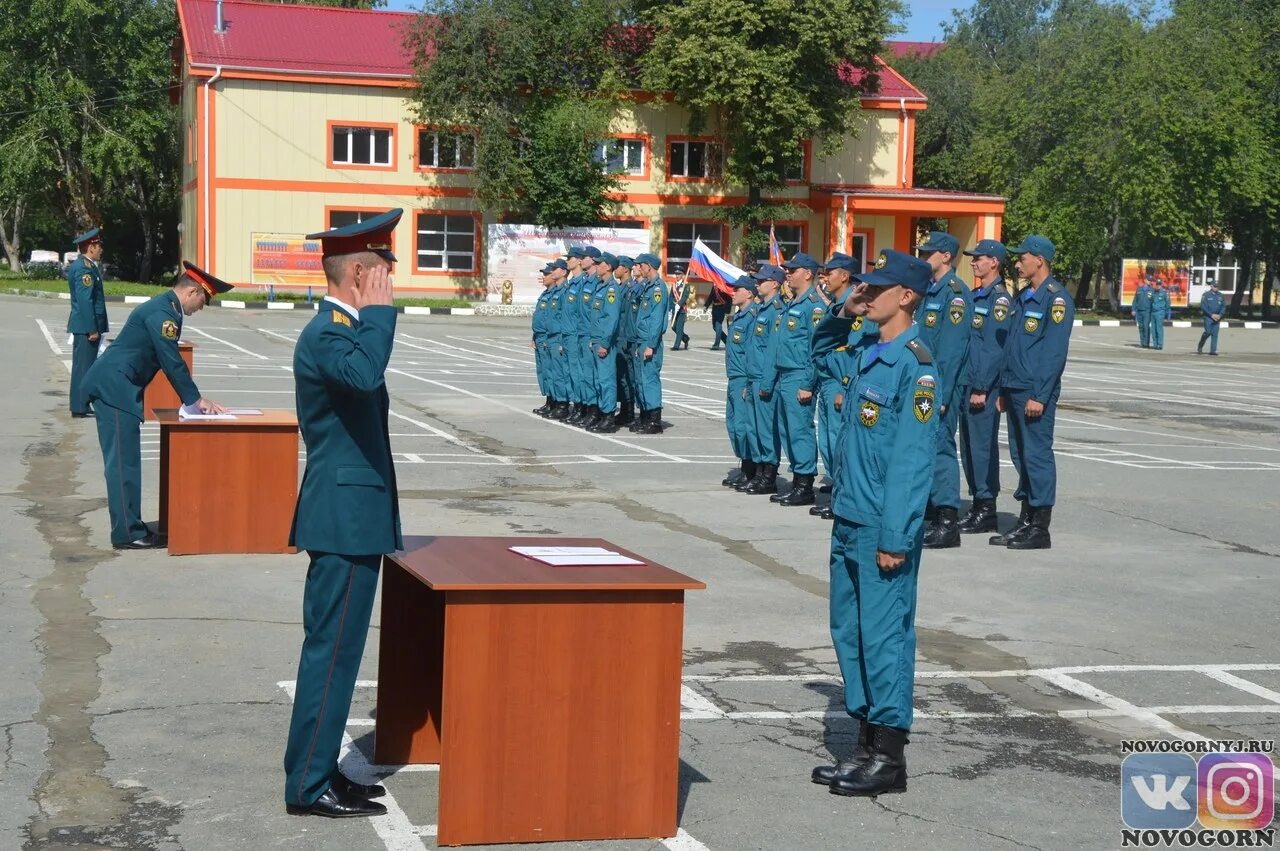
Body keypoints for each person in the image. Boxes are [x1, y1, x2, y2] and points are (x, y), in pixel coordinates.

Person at [284, 208, 402, 819]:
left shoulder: (342, 328)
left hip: (351, 515)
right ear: (359, 273)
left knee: (337, 655)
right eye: (384, 268)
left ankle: (322, 767)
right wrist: (380, 315)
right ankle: (307, 786)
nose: (391, 279)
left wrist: (375, 317)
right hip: (342, 518)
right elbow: (363, 375)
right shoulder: (330, 333)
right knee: (330, 656)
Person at [812, 248, 936, 798]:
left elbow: (912, 462)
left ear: (905, 296)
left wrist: (896, 536)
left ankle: (888, 757)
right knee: (850, 633)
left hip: (882, 527)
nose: (866, 292)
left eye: (875, 287)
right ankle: (864, 743)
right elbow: (819, 354)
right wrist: (844, 309)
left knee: (885, 638)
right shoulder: (867, 352)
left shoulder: (914, 364)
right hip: (849, 515)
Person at [82, 262, 231, 549]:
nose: (202, 307)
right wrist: (195, 400)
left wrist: (193, 398)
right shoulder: (163, 313)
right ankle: (128, 533)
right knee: (123, 464)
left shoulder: (168, 309)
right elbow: (170, 359)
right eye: (203, 300)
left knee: (127, 461)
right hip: (114, 388)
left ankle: (130, 526)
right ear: (191, 291)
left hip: (120, 387)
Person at [989, 235, 1074, 551]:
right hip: (1014, 387)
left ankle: (1040, 526)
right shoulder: (1024, 296)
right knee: (1020, 454)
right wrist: (1002, 387)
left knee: (1037, 454)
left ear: (1039, 259)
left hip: (1034, 391)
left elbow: (1053, 353)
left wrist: (1039, 394)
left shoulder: (1056, 299)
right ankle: (1025, 519)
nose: (1018, 261)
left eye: (1022, 256)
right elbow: (1012, 346)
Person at [913, 232, 972, 549]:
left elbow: (951, 352)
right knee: (924, 449)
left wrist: (944, 395)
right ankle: (933, 512)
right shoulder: (930, 291)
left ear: (946, 256)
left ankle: (948, 521)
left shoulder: (955, 295)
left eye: (929, 253)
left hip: (940, 386)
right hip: (923, 383)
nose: (923, 258)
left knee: (940, 450)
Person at [811, 251, 878, 520]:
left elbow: (856, 351)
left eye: (830, 271)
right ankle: (836, 489)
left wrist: (844, 386)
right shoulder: (837, 305)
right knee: (828, 443)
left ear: (845, 275)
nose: (825, 277)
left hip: (841, 382)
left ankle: (842, 495)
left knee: (840, 445)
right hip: (829, 379)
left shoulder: (859, 312)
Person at [956, 239, 1013, 534]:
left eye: (979, 258)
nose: (974, 262)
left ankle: (986, 507)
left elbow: (994, 348)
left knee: (981, 448)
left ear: (994, 262)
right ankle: (978, 503)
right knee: (968, 446)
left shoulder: (999, 300)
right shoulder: (977, 295)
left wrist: (981, 387)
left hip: (984, 386)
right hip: (969, 381)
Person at [770, 252, 825, 507]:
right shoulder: (793, 303)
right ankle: (796, 481)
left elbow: (816, 348)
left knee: (800, 430)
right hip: (784, 373)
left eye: (793, 270)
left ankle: (804, 484)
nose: (788, 274)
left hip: (799, 375)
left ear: (808, 273)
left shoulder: (813, 306)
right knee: (787, 430)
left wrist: (807, 383)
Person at [739, 264, 785, 494]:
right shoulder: (761, 309)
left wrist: (766, 383)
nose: (757, 283)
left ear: (775, 283)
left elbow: (773, 352)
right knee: (753, 427)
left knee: (766, 429)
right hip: (752, 376)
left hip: (765, 378)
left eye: (762, 280)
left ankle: (769, 474)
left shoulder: (777, 310)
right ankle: (758, 471)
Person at [66, 227, 109, 417]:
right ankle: (80, 406)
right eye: (99, 246)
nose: (101, 249)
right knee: (83, 368)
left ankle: (81, 404)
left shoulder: (88, 265)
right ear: (90, 247)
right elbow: (85, 301)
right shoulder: (84, 268)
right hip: (86, 327)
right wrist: (92, 328)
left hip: (86, 326)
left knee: (84, 366)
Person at [722, 274, 759, 487]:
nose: (733, 293)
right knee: (733, 424)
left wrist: (748, 383)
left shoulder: (753, 316)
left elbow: (753, 352)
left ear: (749, 293)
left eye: (737, 289)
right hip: (733, 376)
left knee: (743, 425)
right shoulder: (738, 315)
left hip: (743, 377)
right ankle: (745, 466)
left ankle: (750, 469)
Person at [631, 253, 669, 433]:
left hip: (649, 341)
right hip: (642, 339)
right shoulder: (647, 287)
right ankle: (646, 416)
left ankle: (655, 421)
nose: (640, 268)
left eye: (642, 265)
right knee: (641, 380)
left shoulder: (658, 289)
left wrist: (651, 345)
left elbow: (656, 319)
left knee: (650, 380)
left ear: (649, 266)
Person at [587, 253, 624, 432]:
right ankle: (603, 414)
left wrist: (604, 343)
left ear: (608, 266)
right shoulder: (601, 287)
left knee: (606, 380)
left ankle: (609, 418)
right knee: (598, 380)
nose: (597, 266)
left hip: (604, 342)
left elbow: (611, 319)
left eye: (600, 263)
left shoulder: (611, 289)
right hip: (596, 339)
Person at [612, 256, 638, 427]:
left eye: (618, 266)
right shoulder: (620, 287)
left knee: (628, 376)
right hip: (618, 337)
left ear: (626, 269)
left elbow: (629, 317)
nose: (616, 269)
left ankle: (628, 411)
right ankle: (623, 409)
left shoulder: (630, 288)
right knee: (620, 376)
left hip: (625, 337)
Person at [531, 264, 556, 415]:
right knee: (544, 372)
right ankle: (549, 401)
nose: (543, 277)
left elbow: (552, 319)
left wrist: (547, 337)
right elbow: (539, 317)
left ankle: (556, 403)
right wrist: (534, 336)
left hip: (548, 337)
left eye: (546, 274)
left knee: (552, 372)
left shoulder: (556, 294)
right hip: (539, 337)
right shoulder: (545, 294)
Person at [1198, 277, 1225, 355]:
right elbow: (1203, 306)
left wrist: (1220, 315)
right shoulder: (1206, 295)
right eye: (1215, 286)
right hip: (1208, 317)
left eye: (1217, 286)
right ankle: (1200, 345)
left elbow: (1223, 306)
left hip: (1217, 317)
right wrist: (1211, 315)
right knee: (1208, 332)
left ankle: (1213, 350)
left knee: (1215, 334)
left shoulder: (1221, 295)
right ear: (1211, 286)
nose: (1216, 288)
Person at [670, 271, 692, 350]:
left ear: (682, 275)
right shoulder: (674, 285)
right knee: (673, 327)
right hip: (674, 309)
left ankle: (676, 346)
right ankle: (685, 338)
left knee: (679, 328)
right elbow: (671, 297)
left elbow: (685, 296)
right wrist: (670, 307)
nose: (677, 276)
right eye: (676, 274)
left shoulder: (686, 285)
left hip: (681, 309)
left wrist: (679, 304)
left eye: (679, 274)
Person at [1133, 267, 1155, 348]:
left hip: (1147, 311)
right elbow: (1135, 300)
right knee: (1141, 327)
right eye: (1148, 280)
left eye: (1150, 280)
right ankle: (1142, 342)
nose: (1150, 281)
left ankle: (1146, 343)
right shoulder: (1139, 289)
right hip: (1139, 311)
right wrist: (1133, 309)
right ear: (1145, 280)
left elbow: (1153, 301)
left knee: (1146, 327)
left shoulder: (1152, 290)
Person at [1149, 277, 1171, 350]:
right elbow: (1151, 301)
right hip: (1153, 312)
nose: (1158, 286)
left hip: (1160, 312)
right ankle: (1155, 344)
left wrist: (1167, 313)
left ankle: (1160, 344)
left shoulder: (1165, 293)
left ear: (1161, 285)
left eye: (1159, 284)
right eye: (1157, 284)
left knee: (1159, 329)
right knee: (1153, 329)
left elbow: (1168, 303)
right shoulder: (1153, 292)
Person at [706, 284, 730, 350]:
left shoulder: (724, 285)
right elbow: (711, 296)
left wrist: (728, 310)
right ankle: (727, 341)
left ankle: (716, 345)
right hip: (715, 308)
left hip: (721, 308)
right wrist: (706, 306)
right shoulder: (714, 286)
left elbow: (729, 298)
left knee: (718, 325)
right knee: (714, 327)